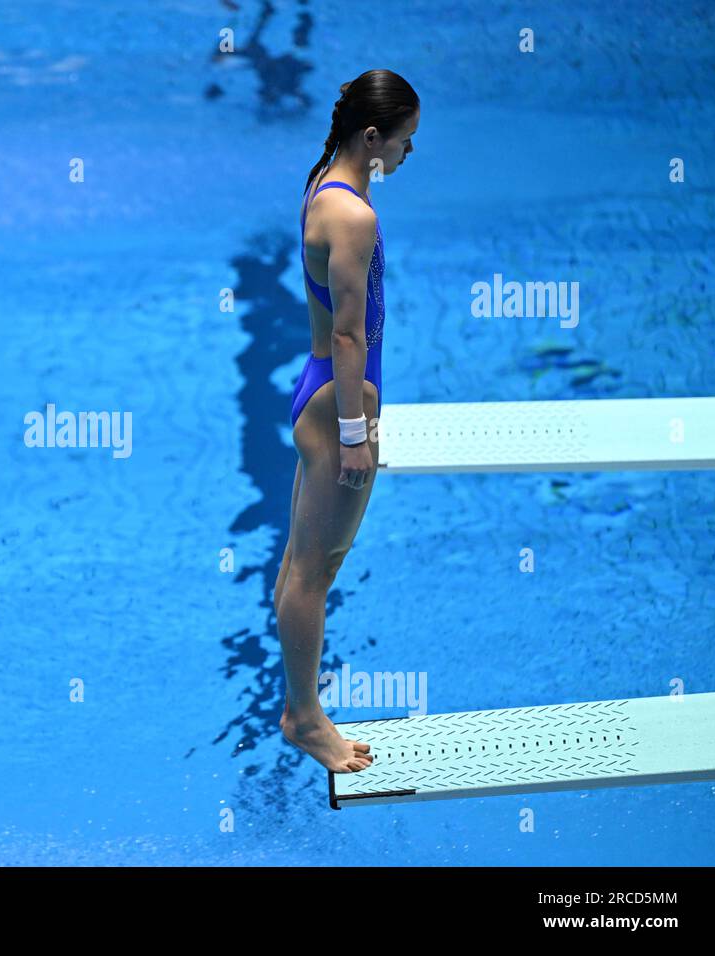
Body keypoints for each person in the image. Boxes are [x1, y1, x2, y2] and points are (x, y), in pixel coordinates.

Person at [275, 69, 420, 772]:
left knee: (304, 566)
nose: (406, 154)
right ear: (372, 136)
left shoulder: (325, 186)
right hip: (340, 405)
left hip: (323, 397)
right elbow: (348, 337)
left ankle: (301, 710)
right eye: (403, 141)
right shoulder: (353, 216)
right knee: (314, 573)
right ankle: (306, 718)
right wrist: (359, 437)